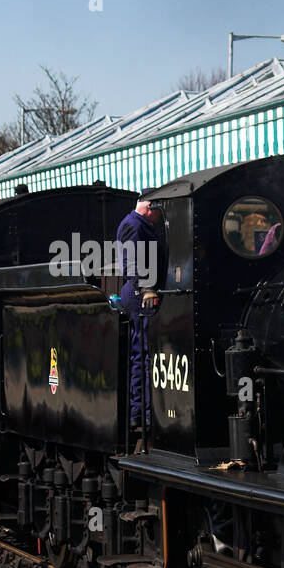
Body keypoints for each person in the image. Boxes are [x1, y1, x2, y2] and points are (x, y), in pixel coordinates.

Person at [116, 192, 164, 448]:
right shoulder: (132, 226)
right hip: (139, 295)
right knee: (141, 353)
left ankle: (145, 411)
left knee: (145, 353)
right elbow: (130, 263)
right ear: (150, 209)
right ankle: (140, 413)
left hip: (143, 292)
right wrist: (145, 288)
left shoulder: (140, 224)